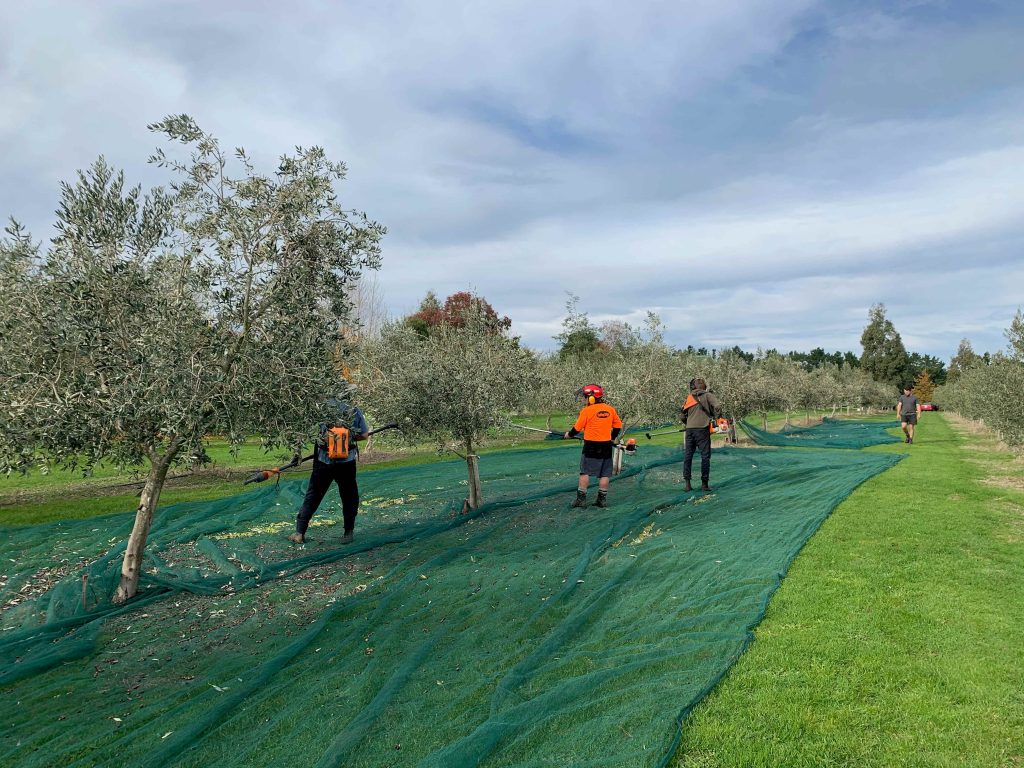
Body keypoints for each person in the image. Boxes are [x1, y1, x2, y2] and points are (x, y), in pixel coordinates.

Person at [288, 399, 370, 544]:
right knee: (349, 496)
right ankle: (348, 533)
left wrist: (297, 455)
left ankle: (299, 533)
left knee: (313, 496)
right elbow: (364, 435)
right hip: (346, 463)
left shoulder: (320, 406)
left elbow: (303, 432)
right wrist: (345, 439)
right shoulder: (353, 409)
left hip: (323, 461)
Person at [564, 384, 623, 508]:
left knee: (585, 472)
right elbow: (618, 426)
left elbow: (577, 428)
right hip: (606, 445)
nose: (583, 399)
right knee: (604, 474)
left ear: (591, 398)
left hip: (591, 446)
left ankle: (581, 500)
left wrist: (569, 435)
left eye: (584, 397)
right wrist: (612, 437)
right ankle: (602, 500)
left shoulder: (586, 411)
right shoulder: (610, 409)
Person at [682, 378, 721, 492]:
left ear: (694, 387)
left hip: (689, 430)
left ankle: (687, 484)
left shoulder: (689, 397)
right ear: (704, 386)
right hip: (702, 430)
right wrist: (717, 417)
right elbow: (717, 407)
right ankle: (704, 484)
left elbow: (682, 415)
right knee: (705, 456)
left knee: (688, 456)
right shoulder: (708, 395)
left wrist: (688, 423)